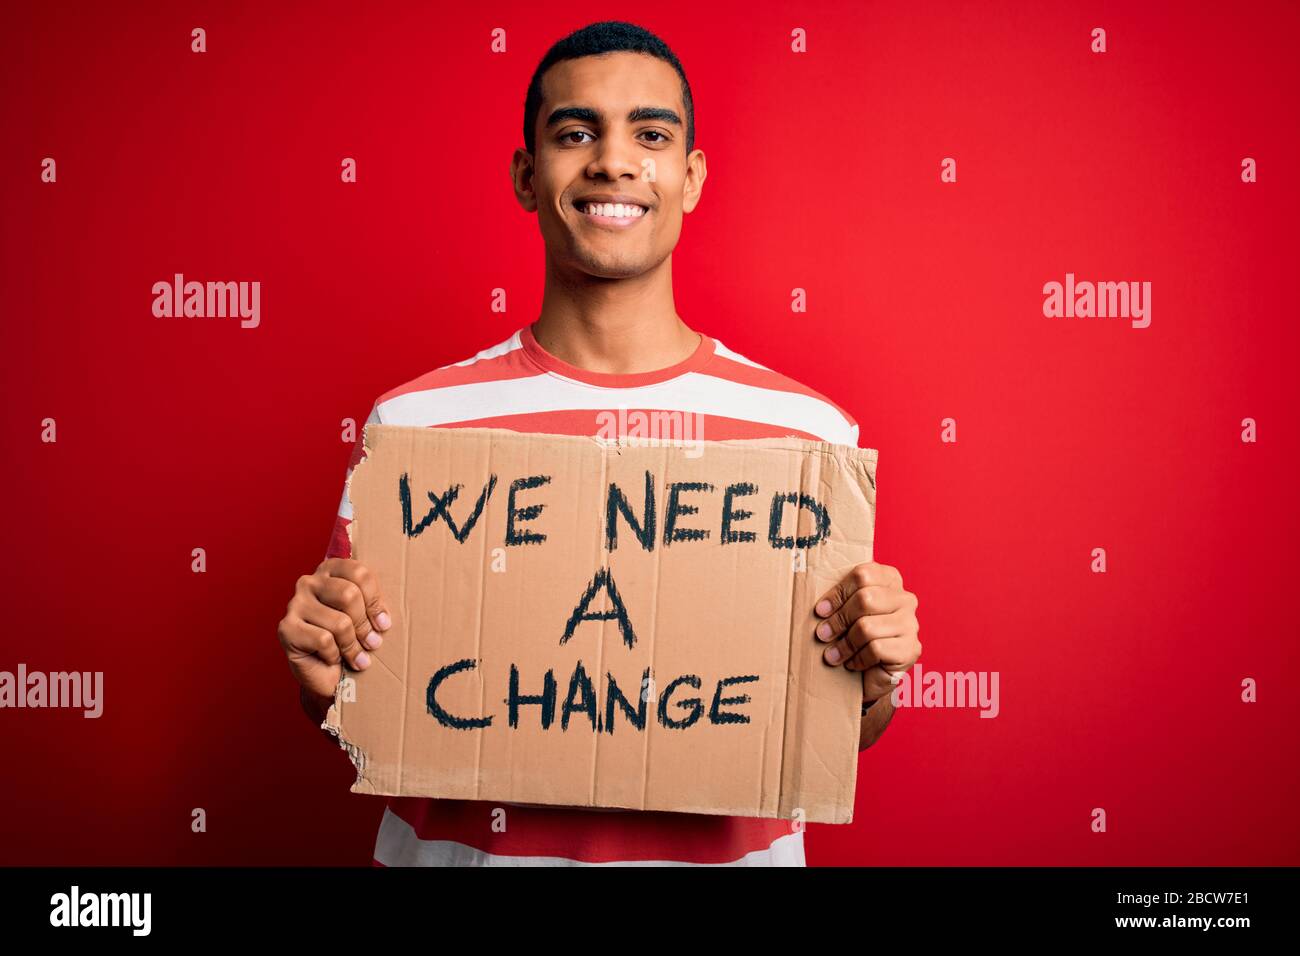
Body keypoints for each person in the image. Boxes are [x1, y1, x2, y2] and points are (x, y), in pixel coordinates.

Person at [276, 20, 921, 866]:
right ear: (525, 175)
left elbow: (831, 726)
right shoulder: (412, 431)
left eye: (651, 135)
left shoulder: (809, 438)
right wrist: (318, 664)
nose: (614, 161)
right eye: (575, 133)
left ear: (689, 178)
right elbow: (359, 709)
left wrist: (876, 679)